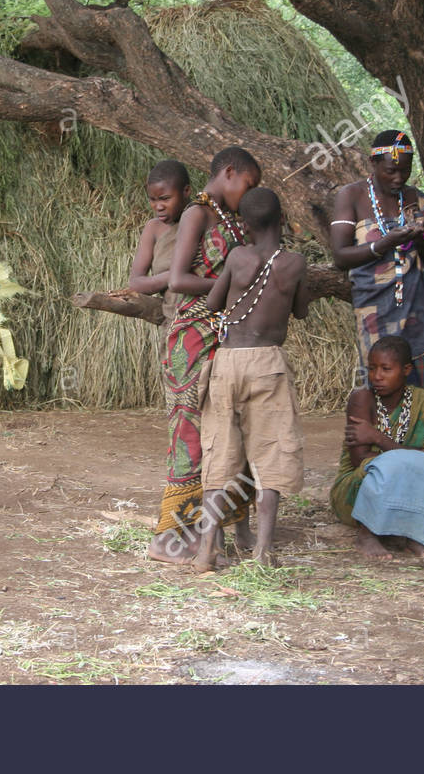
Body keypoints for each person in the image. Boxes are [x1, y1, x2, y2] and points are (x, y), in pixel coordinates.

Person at [153, 146, 262, 563]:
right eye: (248, 184)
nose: (251, 194)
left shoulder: (233, 219)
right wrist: (233, 286)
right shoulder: (197, 214)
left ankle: (223, 525)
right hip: (193, 335)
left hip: (222, 332)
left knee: (229, 426)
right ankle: (171, 537)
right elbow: (179, 279)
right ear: (229, 173)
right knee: (192, 434)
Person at [195, 187, 310, 571]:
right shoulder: (295, 263)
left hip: (227, 361)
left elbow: (212, 303)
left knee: (219, 454)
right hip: (267, 364)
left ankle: (205, 550)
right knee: (272, 453)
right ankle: (263, 552)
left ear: (243, 225)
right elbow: (302, 310)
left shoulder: (238, 256)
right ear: (282, 220)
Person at [330, 131, 424, 430]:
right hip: (376, 313)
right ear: (373, 163)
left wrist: (421, 235)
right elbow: (340, 255)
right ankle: (391, 461)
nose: (399, 178)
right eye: (391, 170)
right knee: (385, 388)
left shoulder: (416, 198)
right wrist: (385, 243)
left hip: (422, 309)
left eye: (405, 171)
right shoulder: (352, 196)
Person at [329, 336, 424, 562]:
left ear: (406, 370)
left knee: (422, 467)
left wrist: (377, 437)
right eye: (372, 369)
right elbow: (360, 460)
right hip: (357, 489)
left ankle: (414, 537)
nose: (377, 376)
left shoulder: (422, 401)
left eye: (386, 369)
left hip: (405, 480)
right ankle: (366, 534)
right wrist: (413, 457)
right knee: (393, 467)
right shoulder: (362, 399)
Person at [127, 159, 193, 329]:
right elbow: (136, 283)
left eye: (165, 199)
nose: (158, 207)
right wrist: (175, 275)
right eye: (153, 200)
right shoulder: (154, 228)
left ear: (186, 191)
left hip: (205, 316)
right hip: (173, 320)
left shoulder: (203, 220)